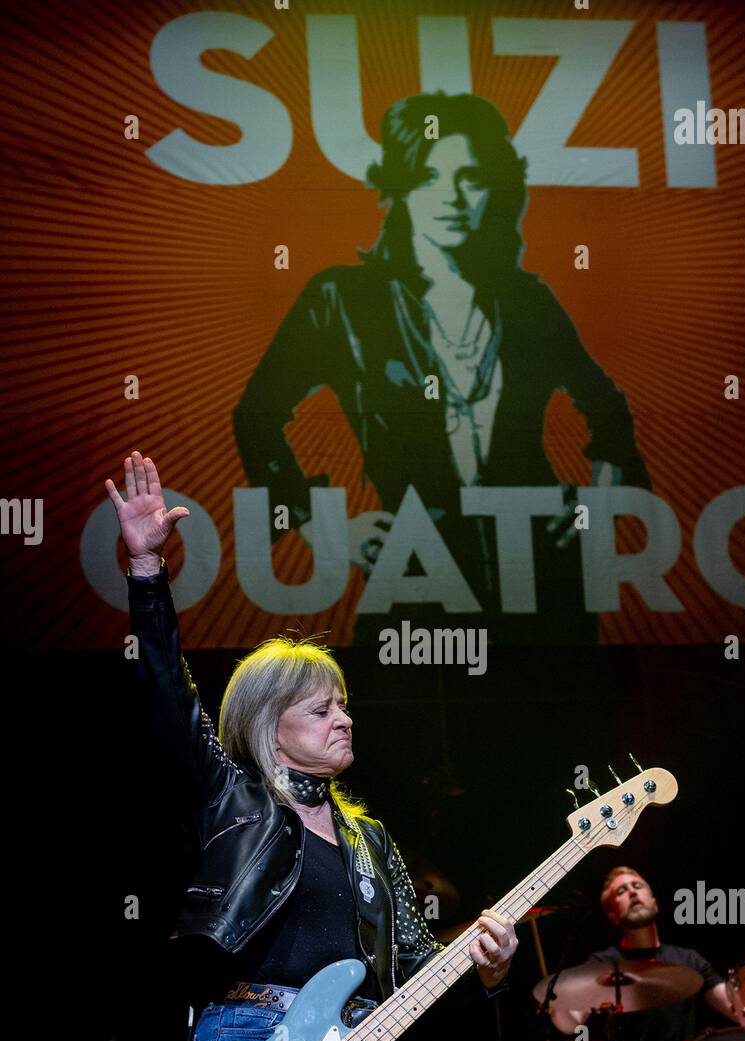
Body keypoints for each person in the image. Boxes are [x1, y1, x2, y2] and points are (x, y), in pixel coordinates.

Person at [105, 450, 518, 1041]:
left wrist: (488, 967)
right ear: (268, 724)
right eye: (321, 708)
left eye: (345, 704)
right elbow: (162, 697)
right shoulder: (234, 800)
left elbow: (414, 968)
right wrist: (147, 571)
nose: (344, 718)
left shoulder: (371, 844)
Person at [233, 91, 651, 646]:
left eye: (472, 179)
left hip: (546, 589)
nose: (454, 197)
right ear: (399, 187)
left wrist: (595, 504)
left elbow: (608, 408)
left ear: (492, 191)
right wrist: (323, 527)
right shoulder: (342, 299)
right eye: (431, 177)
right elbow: (256, 416)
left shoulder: (526, 301)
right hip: (415, 587)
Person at [565, 866, 745, 1041]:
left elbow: (740, 1012)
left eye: (637, 886)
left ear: (655, 904)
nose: (632, 892)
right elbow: (571, 1022)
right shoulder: (601, 964)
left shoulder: (690, 960)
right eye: (622, 891)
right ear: (613, 916)